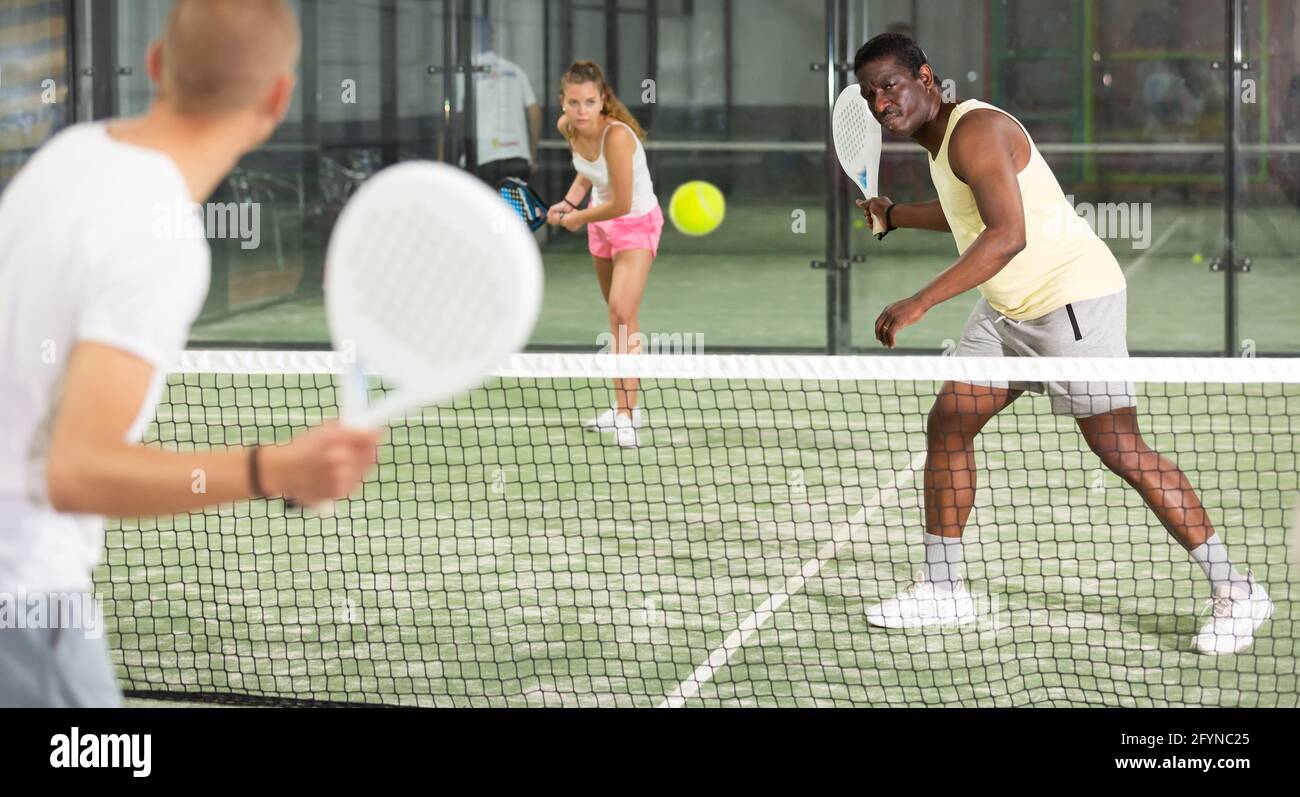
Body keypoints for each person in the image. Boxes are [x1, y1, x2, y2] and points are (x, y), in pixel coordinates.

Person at [0, 0, 379, 708]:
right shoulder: (159, 235)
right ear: (278, 97)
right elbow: (76, 471)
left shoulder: (70, 154)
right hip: (23, 608)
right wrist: (277, 468)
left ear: (155, 64)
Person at [854, 33, 1271, 655]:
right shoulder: (940, 144)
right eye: (869, 95)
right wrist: (894, 214)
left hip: (1072, 303)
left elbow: (1006, 235)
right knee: (949, 426)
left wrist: (921, 301)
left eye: (890, 85)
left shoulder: (975, 131)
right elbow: (964, 211)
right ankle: (943, 589)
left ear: (926, 77)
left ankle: (1237, 590)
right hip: (1007, 310)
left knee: (1120, 449)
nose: (881, 102)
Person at [549, 61, 663, 449]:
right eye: (574, 102)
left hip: (635, 223)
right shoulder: (568, 129)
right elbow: (587, 172)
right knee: (620, 320)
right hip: (601, 228)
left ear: (603, 102)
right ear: (562, 103)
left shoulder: (617, 136)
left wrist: (576, 217)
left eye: (590, 102)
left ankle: (627, 417)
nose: (581, 110)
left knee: (620, 312)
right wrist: (567, 202)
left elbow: (621, 202)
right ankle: (623, 407)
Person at [454, 17, 542, 186]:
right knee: (513, 210)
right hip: (518, 156)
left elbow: (456, 118)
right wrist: (531, 154)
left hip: (483, 158)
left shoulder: (465, 73)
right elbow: (535, 111)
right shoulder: (515, 70)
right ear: (492, 37)